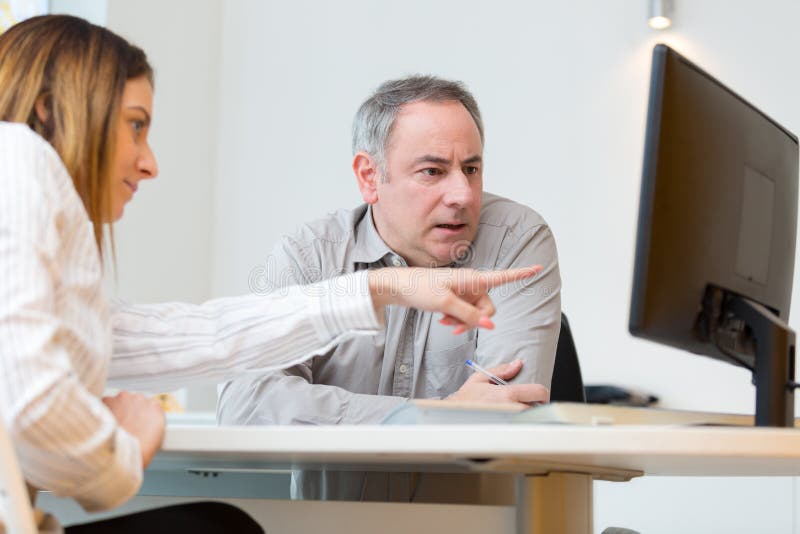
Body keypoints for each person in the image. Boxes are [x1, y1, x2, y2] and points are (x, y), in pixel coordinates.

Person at [0, 16, 540, 533]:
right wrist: (123, 451)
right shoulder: (19, 159)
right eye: (136, 125)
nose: (150, 163)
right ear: (52, 111)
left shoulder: (516, 236)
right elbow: (37, 410)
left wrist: (385, 286)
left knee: (218, 525)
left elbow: (179, 336)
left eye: (471, 168)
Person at [217, 75, 561, 500]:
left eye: (471, 169)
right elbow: (245, 405)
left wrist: (328, 411)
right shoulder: (309, 258)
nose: (462, 194)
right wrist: (431, 417)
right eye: (432, 171)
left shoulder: (515, 239)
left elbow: (510, 416)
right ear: (369, 176)